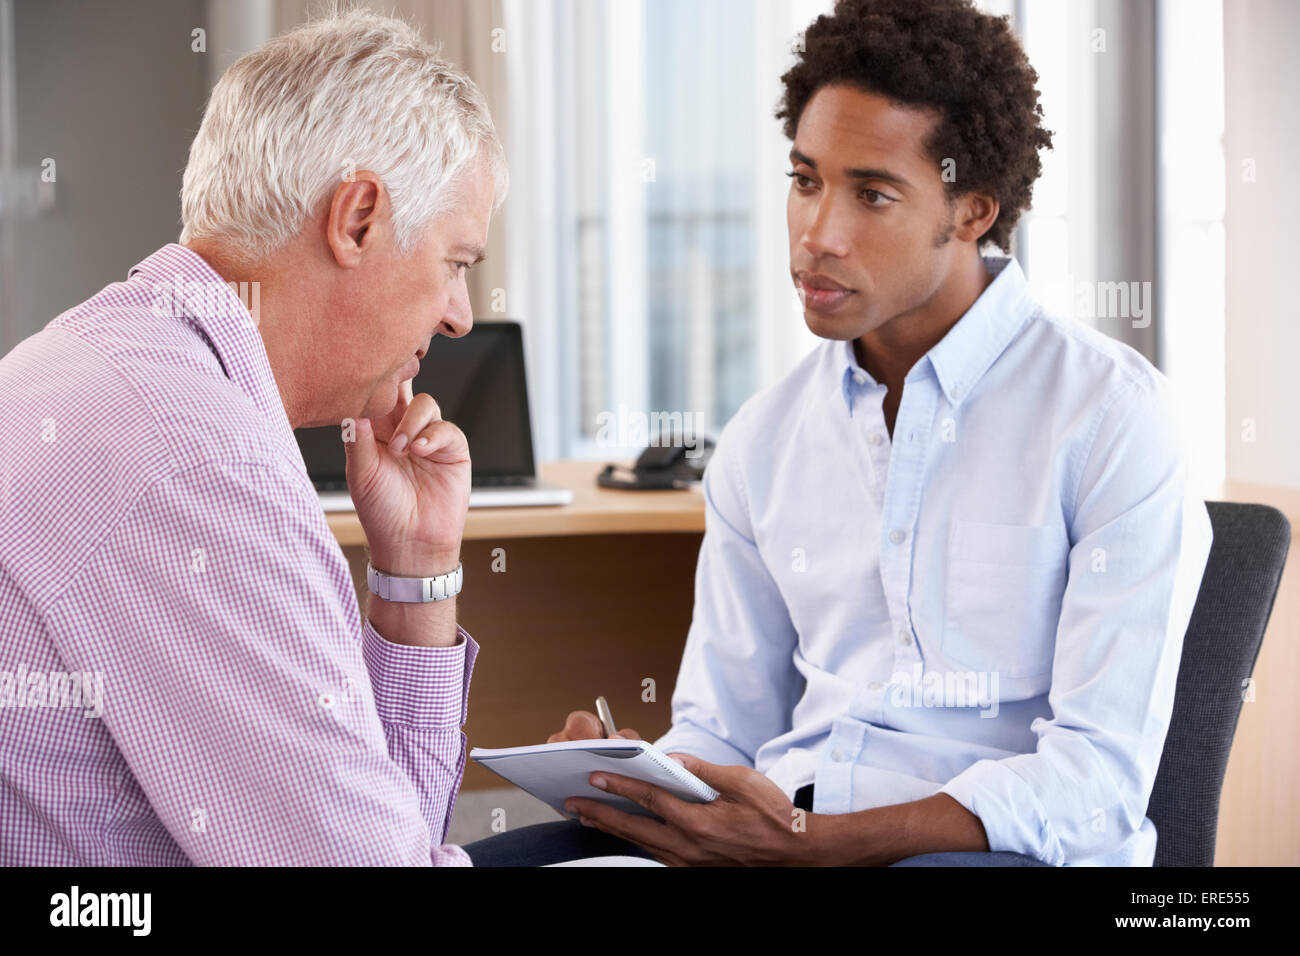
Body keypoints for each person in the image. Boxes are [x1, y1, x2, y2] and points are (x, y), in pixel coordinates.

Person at [466, 0, 1212, 867]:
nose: (818, 235)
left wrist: (816, 846)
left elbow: (1099, 777)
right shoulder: (765, 437)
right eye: (806, 180)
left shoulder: (1111, 417)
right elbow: (726, 726)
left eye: (873, 194)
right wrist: (644, 776)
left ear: (972, 210)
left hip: (996, 855)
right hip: (792, 834)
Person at [0, 9, 506, 864]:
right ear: (357, 220)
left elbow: (383, 835)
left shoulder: (81, 358)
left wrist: (414, 573)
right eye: (457, 264)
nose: (460, 315)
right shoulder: (202, 465)